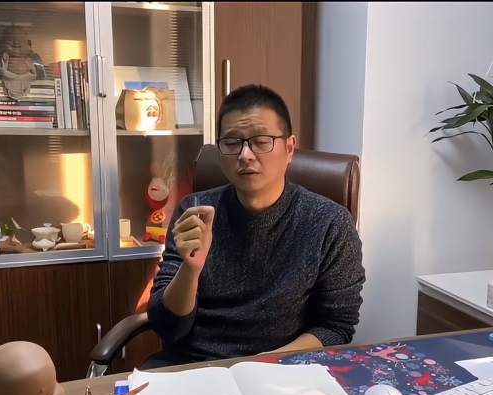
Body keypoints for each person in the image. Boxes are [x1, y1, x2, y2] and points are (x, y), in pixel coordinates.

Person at [145, 84, 365, 369]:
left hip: (282, 369)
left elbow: (336, 327)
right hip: (195, 367)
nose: (245, 155)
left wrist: (264, 363)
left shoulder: (330, 223)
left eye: (261, 141)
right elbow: (168, 327)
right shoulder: (195, 212)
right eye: (232, 142)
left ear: (289, 148)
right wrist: (190, 270)